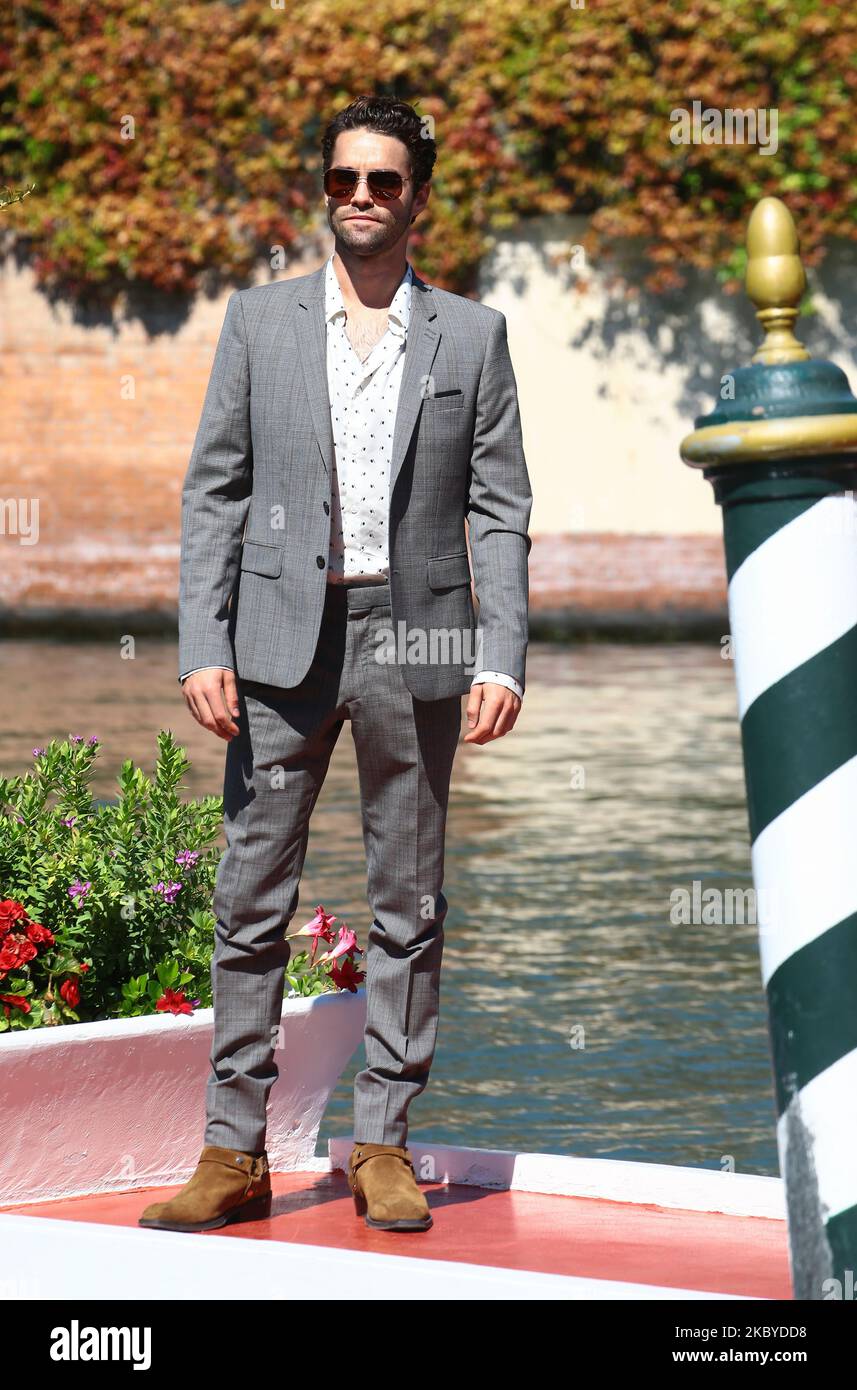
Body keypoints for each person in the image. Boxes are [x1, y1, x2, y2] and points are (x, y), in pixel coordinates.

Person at [139, 94, 532, 1235]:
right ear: (325, 190)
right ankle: (233, 1149)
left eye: (383, 181)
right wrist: (200, 639)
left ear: (418, 197)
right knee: (249, 896)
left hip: (417, 642)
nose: (359, 197)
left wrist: (499, 650)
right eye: (341, 179)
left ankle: (383, 1146)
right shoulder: (258, 322)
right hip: (274, 645)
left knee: (408, 899)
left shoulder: (472, 335)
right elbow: (213, 487)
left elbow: (498, 508)